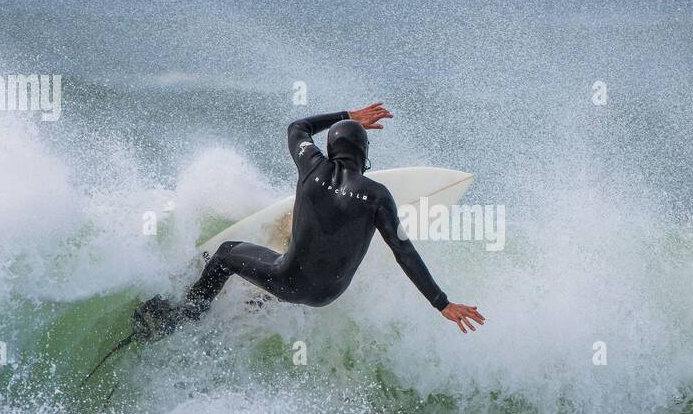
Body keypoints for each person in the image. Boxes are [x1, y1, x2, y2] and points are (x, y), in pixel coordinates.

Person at [133, 103, 486, 340]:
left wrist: (348, 113)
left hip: (287, 279)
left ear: (332, 150)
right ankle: (259, 304)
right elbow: (404, 253)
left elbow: (297, 127)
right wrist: (442, 303)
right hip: (327, 295)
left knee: (226, 253)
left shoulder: (312, 167)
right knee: (303, 267)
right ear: (364, 157)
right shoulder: (378, 196)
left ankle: (188, 314)